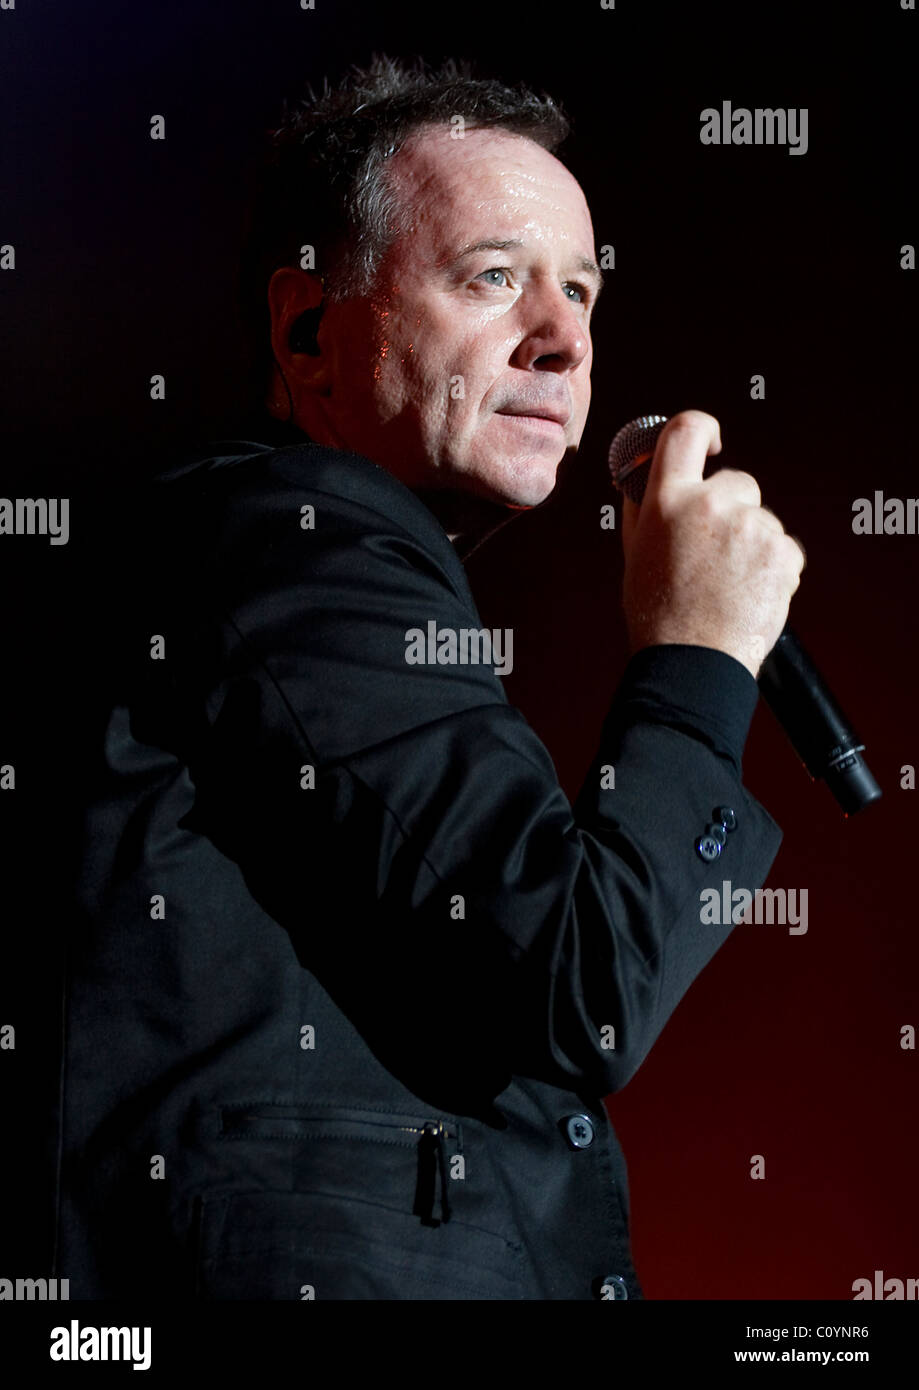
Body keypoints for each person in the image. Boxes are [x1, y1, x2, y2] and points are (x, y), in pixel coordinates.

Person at [54, 54, 804, 1300]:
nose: (567, 341)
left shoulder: (292, 561)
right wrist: (697, 658)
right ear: (310, 330)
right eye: (496, 278)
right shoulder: (295, 532)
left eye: (580, 289)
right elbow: (581, 981)